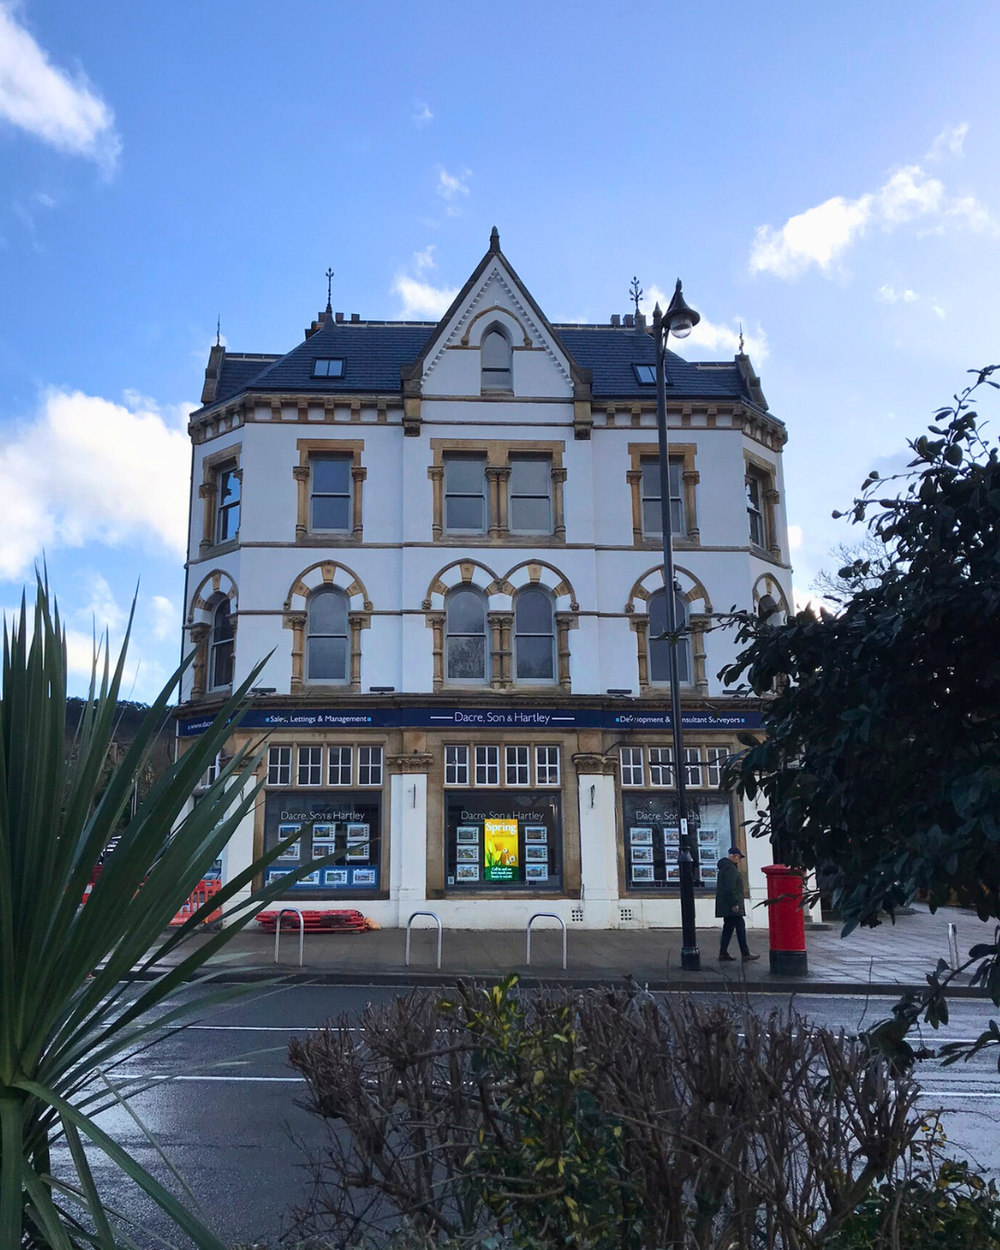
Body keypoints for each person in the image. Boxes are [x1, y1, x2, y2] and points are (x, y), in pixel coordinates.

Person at [715, 846, 759, 962]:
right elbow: (730, 888)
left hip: (726, 904)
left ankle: (723, 953)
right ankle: (745, 954)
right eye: (739, 858)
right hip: (732, 905)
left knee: (728, 928)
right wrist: (735, 903)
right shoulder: (731, 869)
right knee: (740, 927)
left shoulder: (725, 868)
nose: (740, 860)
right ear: (734, 856)